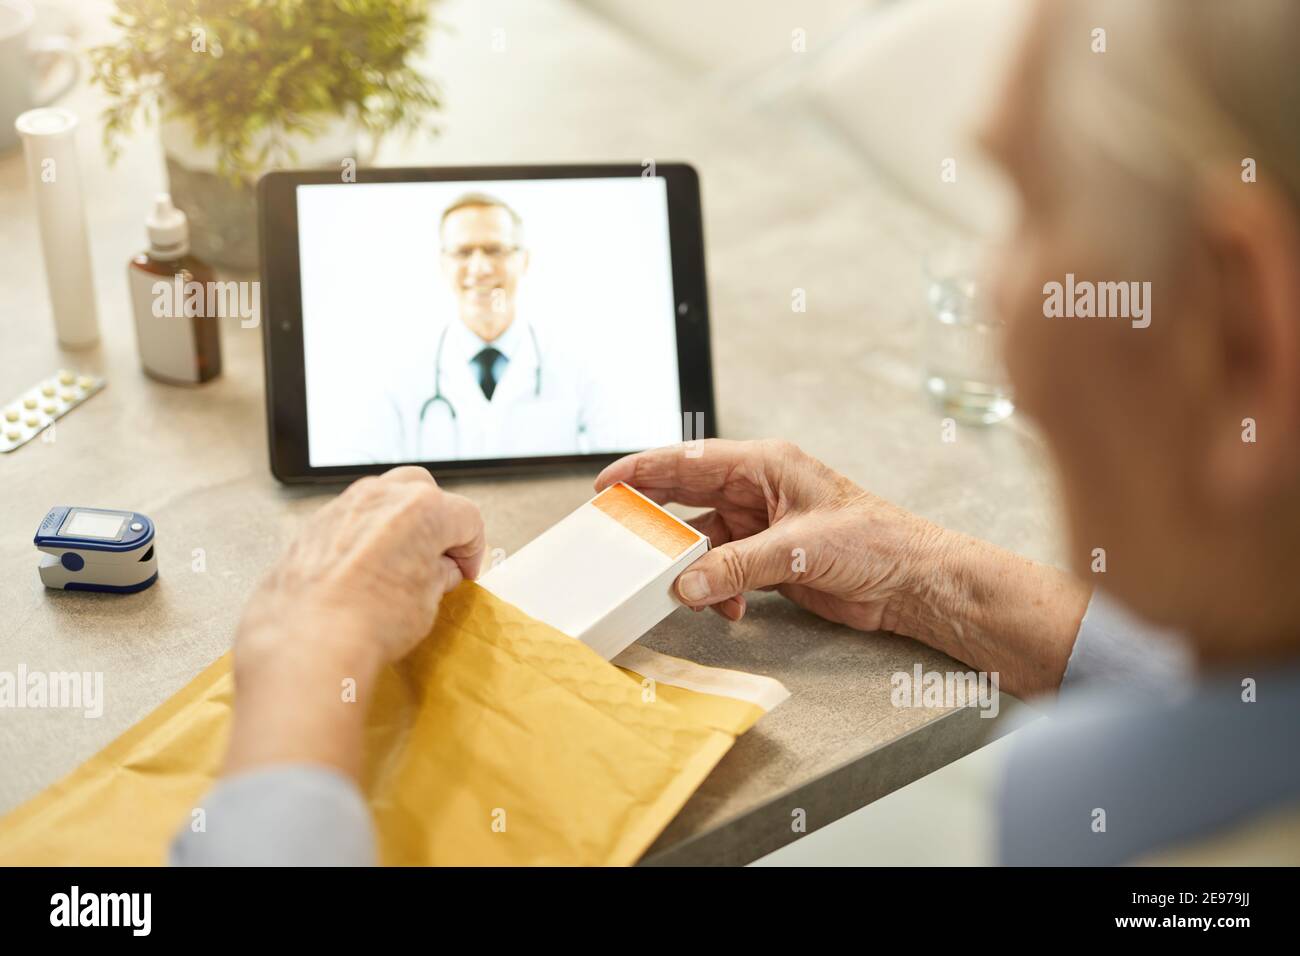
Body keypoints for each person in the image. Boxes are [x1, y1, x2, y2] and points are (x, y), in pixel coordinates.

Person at [172, 0, 1300, 865]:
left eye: (1034, 211)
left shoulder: (1127, 827)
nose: (992, 304)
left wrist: (303, 659)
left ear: (1245, 332)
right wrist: (926, 576)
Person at [382, 192, 614, 461]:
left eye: (495, 250)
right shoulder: (399, 375)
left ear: (524, 260)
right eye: (462, 252)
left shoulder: (579, 368)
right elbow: (360, 475)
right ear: (443, 263)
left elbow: (627, 472)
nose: (480, 268)